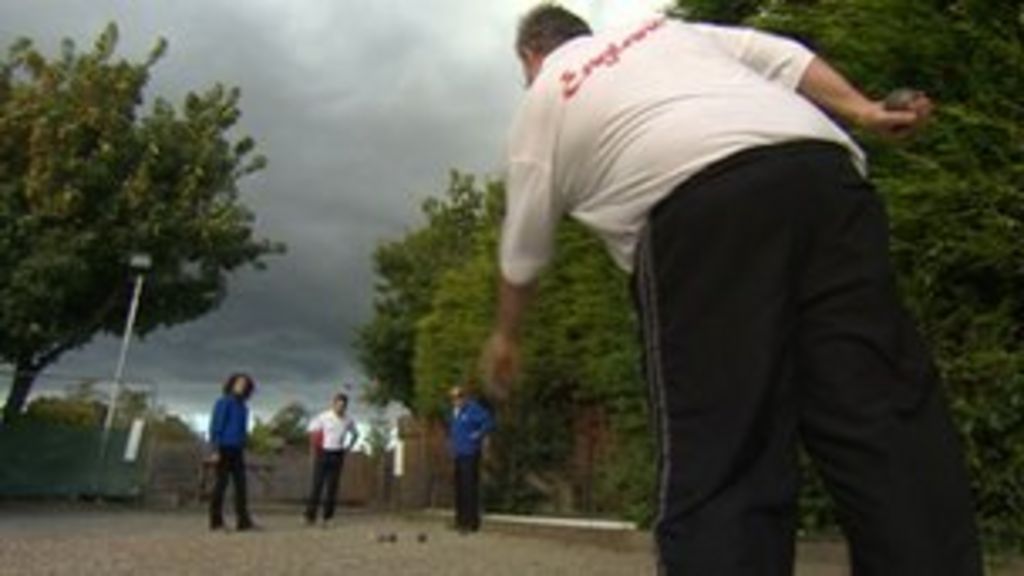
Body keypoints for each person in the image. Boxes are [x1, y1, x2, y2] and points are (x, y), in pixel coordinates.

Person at [482, 5, 982, 575]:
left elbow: (522, 253)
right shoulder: (667, 31)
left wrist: (505, 336)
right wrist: (864, 110)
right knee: (884, 419)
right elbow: (781, 56)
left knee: (724, 451)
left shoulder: (545, 97)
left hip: (701, 214)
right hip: (822, 176)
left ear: (530, 57)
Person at [208, 373, 257, 532]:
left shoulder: (243, 407)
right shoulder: (224, 402)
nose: (241, 386)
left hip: (237, 449)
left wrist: (245, 443)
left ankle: (243, 521)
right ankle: (216, 521)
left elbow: (242, 429)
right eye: (238, 383)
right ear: (232, 384)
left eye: (244, 384)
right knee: (220, 485)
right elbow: (216, 425)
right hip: (223, 447)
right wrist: (215, 449)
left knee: (241, 486)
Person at [304, 392, 360, 526]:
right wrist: (314, 449)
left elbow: (355, 434)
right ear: (333, 404)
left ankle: (328, 517)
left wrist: (348, 447)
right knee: (317, 485)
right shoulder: (323, 417)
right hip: (323, 452)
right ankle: (310, 515)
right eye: (338, 405)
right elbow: (311, 431)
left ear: (346, 407)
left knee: (332, 487)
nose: (340, 408)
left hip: (337, 453)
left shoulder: (348, 420)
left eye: (343, 406)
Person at [448, 386, 494, 534]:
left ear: (464, 397)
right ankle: (460, 520)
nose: (456, 400)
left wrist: (478, 434)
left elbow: (488, 421)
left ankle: (471, 523)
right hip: (458, 453)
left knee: (469, 488)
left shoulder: (473, 409)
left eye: (459, 397)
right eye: (454, 398)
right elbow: (454, 431)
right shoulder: (455, 413)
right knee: (459, 487)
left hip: (470, 453)